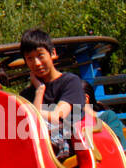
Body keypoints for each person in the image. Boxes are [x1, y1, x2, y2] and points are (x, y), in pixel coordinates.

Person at [15, 29, 85, 158]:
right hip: (37, 151)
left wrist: (32, 112)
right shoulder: (27, 94)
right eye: (30, 58)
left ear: (52, 53)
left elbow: (56, 117)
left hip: (70, 146)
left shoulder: (70, 82)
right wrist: (39, 91)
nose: (36, 63)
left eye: (40, 55)